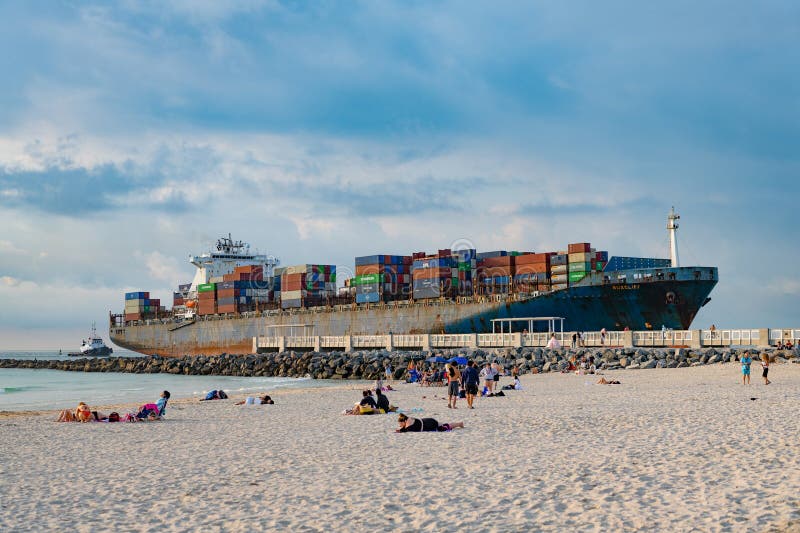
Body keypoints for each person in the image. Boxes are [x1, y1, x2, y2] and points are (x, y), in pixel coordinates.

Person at [395, 413, 464, 432]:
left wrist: (400, 430)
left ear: (404, 421)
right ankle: (459, 424)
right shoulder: (408, 419)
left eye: (400, 424)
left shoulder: (408, 423)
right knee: (444, 424)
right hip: (428, 421)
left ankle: (459, 424)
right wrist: (401, 429)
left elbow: (406, 429)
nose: (400, 425)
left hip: (429, 424)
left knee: (444, 426)